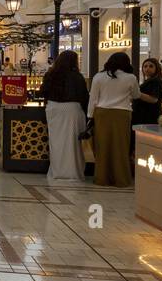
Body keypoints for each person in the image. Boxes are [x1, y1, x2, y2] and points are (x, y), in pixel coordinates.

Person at [88, 51, 141, 187]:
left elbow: (93, 99)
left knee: (102, 146)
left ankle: (102, 178)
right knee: (121, 146)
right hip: (122, 114)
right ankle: (121, 179)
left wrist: (90, 116)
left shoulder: (99, 77)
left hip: (102, 113)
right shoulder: (131, 77)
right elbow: (136, 95)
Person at [40, 50, 88, 185]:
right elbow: (84, 96)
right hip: (72, 109)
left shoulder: (51, 75)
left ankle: (57, 171)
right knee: (73, 143)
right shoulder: (77, 77)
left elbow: (43, 91)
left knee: (56, 142)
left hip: (54, 109)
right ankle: (73, 171)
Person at [132, 58, 162, 128]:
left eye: (151, 66)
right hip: (142, 116)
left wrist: (137, 93)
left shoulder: (156, 81)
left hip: (148, 117)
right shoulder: (148, 81)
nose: (147, 68)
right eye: (145, 66)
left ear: (156, 68)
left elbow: (154, 99)